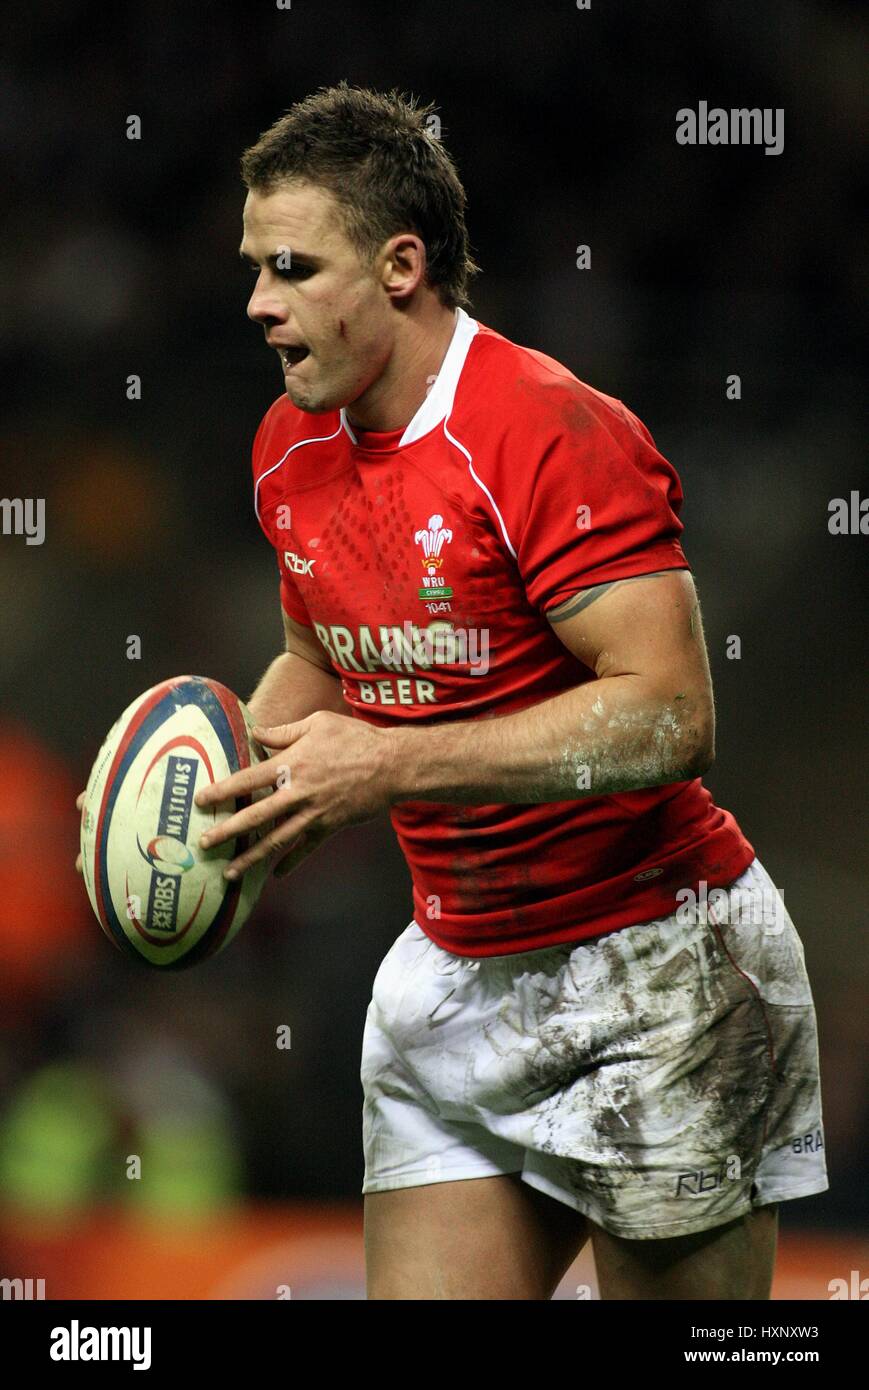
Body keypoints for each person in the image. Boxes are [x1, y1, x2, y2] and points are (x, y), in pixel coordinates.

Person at [79, 82, 828, 1299]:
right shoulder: (287, 445)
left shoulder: (548, 430)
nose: (257, 301)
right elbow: (321, 658)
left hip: (658, 969)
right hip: (456, 968)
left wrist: (384, 763)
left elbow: (670, 713)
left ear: (400, 267)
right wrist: (216, 777)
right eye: (253, 267)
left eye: (290, 267)